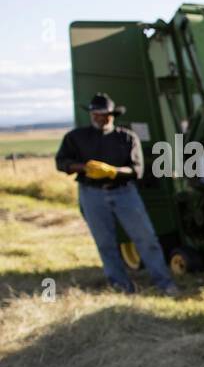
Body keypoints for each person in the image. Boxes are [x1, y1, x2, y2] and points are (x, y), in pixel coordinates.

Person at [55, 93, 180, 296]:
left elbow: (136, 169)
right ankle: (121, 286)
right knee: (105, 242)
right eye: (96, 114)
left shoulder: (127, 138)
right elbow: (61, 163)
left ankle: (164, 283)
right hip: (92, 194)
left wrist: (113, 171)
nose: (101, 118)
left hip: (124, 193)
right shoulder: (75, 138)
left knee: (146, 238)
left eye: (105, 115)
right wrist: (84, 167)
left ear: (113, 116)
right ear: (91, 115)